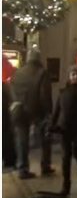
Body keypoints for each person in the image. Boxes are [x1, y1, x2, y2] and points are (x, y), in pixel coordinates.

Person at [9, 50, 53, 179]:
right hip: (36, 110)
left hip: (18, 110)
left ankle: (22, 168)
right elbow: (44, 94)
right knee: (45, 138)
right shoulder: (42, 72)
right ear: (39, 59)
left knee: (22, 141)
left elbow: (11, 89)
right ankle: (45, 166)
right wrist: (48, 112)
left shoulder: (17, 72)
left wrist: (16, 104)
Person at [49, 66, 77, 195]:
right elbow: (57, 110)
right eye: (73, 74)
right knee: (65, 157)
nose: (75, 77)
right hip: (64, 128)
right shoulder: (64, 92)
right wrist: (52, 125)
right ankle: (66, 185)